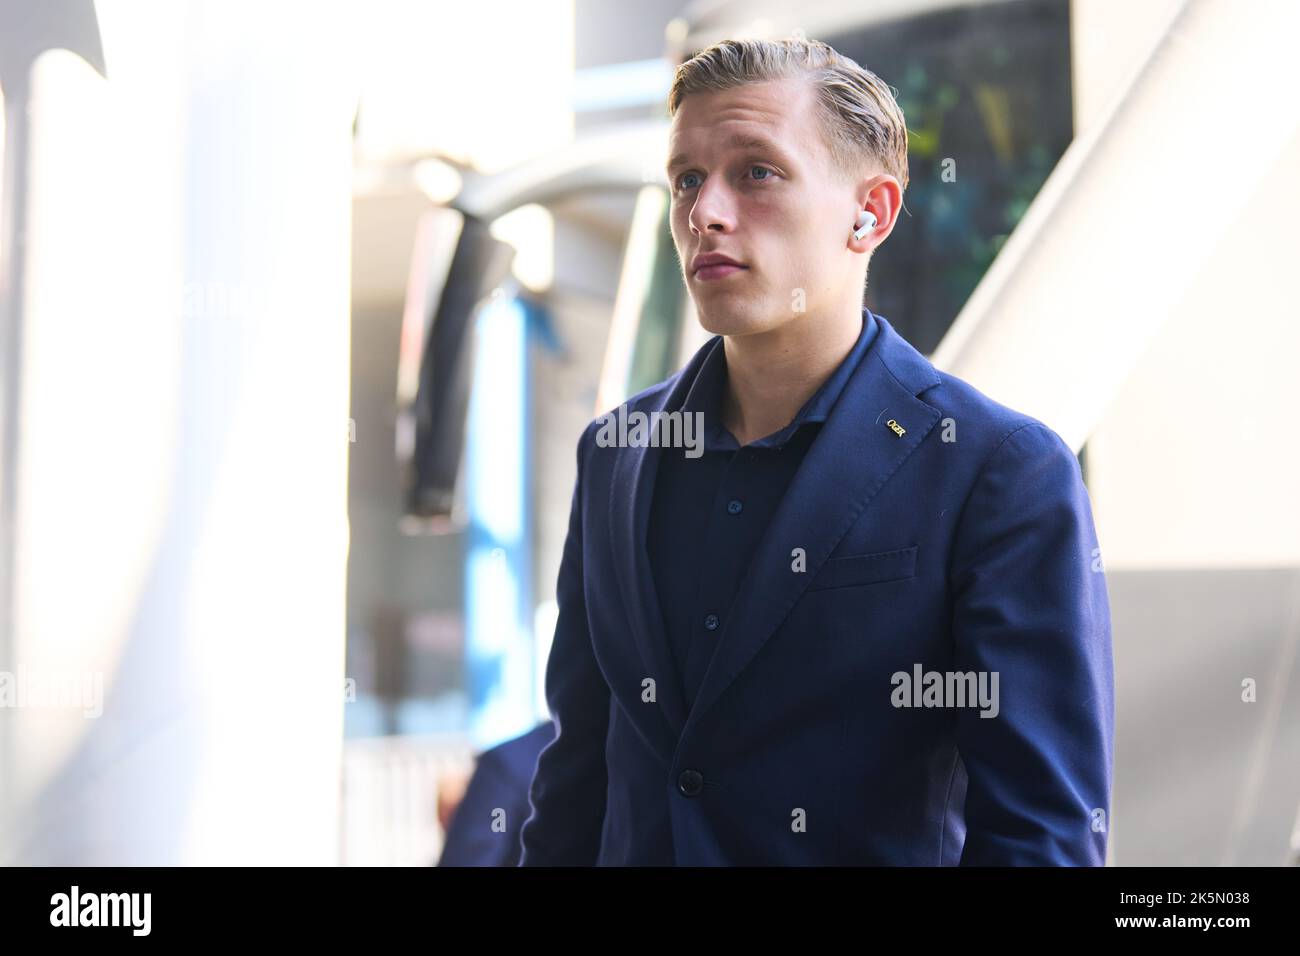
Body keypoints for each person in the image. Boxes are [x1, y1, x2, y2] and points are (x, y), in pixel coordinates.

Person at [519, 37, 1113, 866]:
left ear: (870, 213)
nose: (705, 213)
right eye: (687, 179)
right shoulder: (614, 454)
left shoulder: (1000, 472)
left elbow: (1041, 838)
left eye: (755, 172)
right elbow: (575, 779)